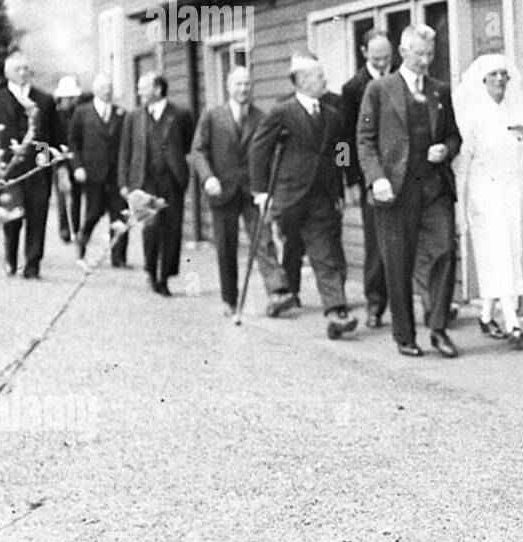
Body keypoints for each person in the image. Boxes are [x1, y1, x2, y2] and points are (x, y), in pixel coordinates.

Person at [356, 24, 461, 358]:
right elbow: (364, 140)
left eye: (430, 54)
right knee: (398, 263)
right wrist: (377, 178)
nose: (425, 61)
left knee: (444, 251)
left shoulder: (440, 90)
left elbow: (453, 136)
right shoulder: (378, 89)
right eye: (419, 54)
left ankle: (439, 327)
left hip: (434, 189)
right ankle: (404, 334)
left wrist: (446, 149)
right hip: (395, 192)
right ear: (403, 52)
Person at [249, 53, 358, 340]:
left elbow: (341, 151)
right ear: (303, 81)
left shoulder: (332, 115)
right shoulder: (282, 112)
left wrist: (343, 184)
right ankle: (280, 291)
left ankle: (336, 311)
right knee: (280, 244)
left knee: (324, 254)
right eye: (320, 76)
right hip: (288, 194)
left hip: (321, 196)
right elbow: (259, 150)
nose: (325, 80)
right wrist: (261, 192)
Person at [455, 53, 523, 349]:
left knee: (514, 252)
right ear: (482, 79)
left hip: (515, 191)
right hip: (484, 192)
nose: (499, 79)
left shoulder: (519, 113)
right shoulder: (472, 116)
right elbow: (463, 165)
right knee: (498, 254)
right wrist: (461, 207)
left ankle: (486, 315)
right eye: (493, 74)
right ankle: (512, 321)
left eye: (504, 74)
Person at [189, 67, 289, 317]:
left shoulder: (261, 117)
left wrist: (267, 187)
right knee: (226, 247)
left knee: (262, 240)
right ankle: (230, 300)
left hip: (253, 190)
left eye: (247, 84)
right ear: (228, 86)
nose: (243, 89)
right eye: (238, 84)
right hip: (222, 190)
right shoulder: (212, 116)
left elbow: (270, 152)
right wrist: (208, 177)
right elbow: (198, 151)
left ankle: (276, 292)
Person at [118, 72, 194, 296]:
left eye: (143, 87)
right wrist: (124, 181)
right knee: (150, 228)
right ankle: (151, 271)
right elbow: (125, 150)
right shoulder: (134, 117)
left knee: (171, 229)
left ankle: (164, 278)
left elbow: (188, 144)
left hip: (171, 180)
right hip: (144, 180)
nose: (139, 91)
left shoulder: (180, 114)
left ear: (158, 90)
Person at [340, 31, 394, 329]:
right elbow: (343, 140)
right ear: (364, 53)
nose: (383, 63)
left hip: (400, 173)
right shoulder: (352, 89)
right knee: (375, 243)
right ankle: (375, 304)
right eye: (376, 58)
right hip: (368, 177)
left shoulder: (401, 79)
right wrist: (348, 179)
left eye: (387, 57)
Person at [0, 51, 60, 279]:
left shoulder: (44, 100)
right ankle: (11, 259)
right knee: (13, 217)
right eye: (17, 69)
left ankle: (32, 265)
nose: (23, 73)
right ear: (7, 73)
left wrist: (44, 160)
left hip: (37, 170)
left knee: (37, 216)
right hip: (10, 171)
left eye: (25, 69)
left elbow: (50, 135)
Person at [67, 73, 128, 268]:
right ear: (95, 90)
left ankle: (118, 257)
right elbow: (73, 143)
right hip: (93, 174)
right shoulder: (82, 113)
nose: (108, 91)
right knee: (93, 214)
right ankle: (81, 247)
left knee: (120, 216)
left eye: (110, 87)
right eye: (103, 88)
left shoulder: (121, 114)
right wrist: (77, 167)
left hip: (117, 175)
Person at [53, 75, 84, 244]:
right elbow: (45, 139)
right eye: (68, 97)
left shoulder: (78, 114)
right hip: (59, 160)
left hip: (76, 159)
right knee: (62, 194)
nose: (71, 100)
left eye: (73, 97)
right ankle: (65, 228)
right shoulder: (54, 115)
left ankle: (76, 227)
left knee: (77, 195)